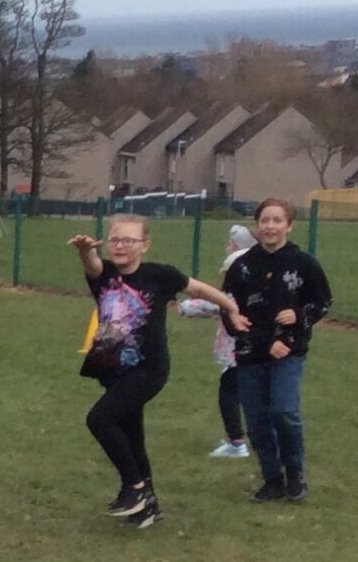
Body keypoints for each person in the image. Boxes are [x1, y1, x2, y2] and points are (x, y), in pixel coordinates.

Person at [68, 216, 245, 529]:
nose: (120, 246)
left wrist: (230, 308)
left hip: (148, 369)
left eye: (128, 240)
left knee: (100, 419)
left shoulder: (160, 276)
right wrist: (84, 250)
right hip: (113, 368)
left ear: (144, 245)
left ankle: (134, 488)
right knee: (132, 434)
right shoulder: (105, 274)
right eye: (115, 240)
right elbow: (92, 264)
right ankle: (147, 506)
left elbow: (201, 290)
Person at [227, 197, 333, 504]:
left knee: (284, 411)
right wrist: (264, 341)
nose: (270, 226)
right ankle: (272, 478)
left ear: (289, 225)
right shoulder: (243, 266)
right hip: (251, 353)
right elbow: (231, 311)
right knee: (257, 419)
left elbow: (323, 301)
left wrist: (299, 316)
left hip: (289, 352)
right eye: (264, 221)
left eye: (277, 220)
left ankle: (295, 474)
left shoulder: (303, 264)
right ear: (257, 226)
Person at [176, 224, 256, 459]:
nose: (226, 247)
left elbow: (219, 303)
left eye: (231, 244)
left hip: (238, 350)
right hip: (252, 349)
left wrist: (184, 307)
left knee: (229, 395)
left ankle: (237, 443)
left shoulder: (240, 278)